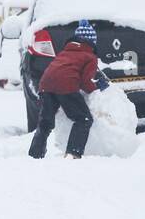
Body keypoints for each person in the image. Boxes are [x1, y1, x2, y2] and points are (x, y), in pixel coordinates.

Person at [28, 20, 107, 160]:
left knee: (45, 123)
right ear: (92, 41)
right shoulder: (90, 56)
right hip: (65, 86)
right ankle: (73, 154)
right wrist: (97, 87)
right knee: (84, 119)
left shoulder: (65, 52)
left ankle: (34, 154)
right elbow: (85, 82)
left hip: (45, 85)